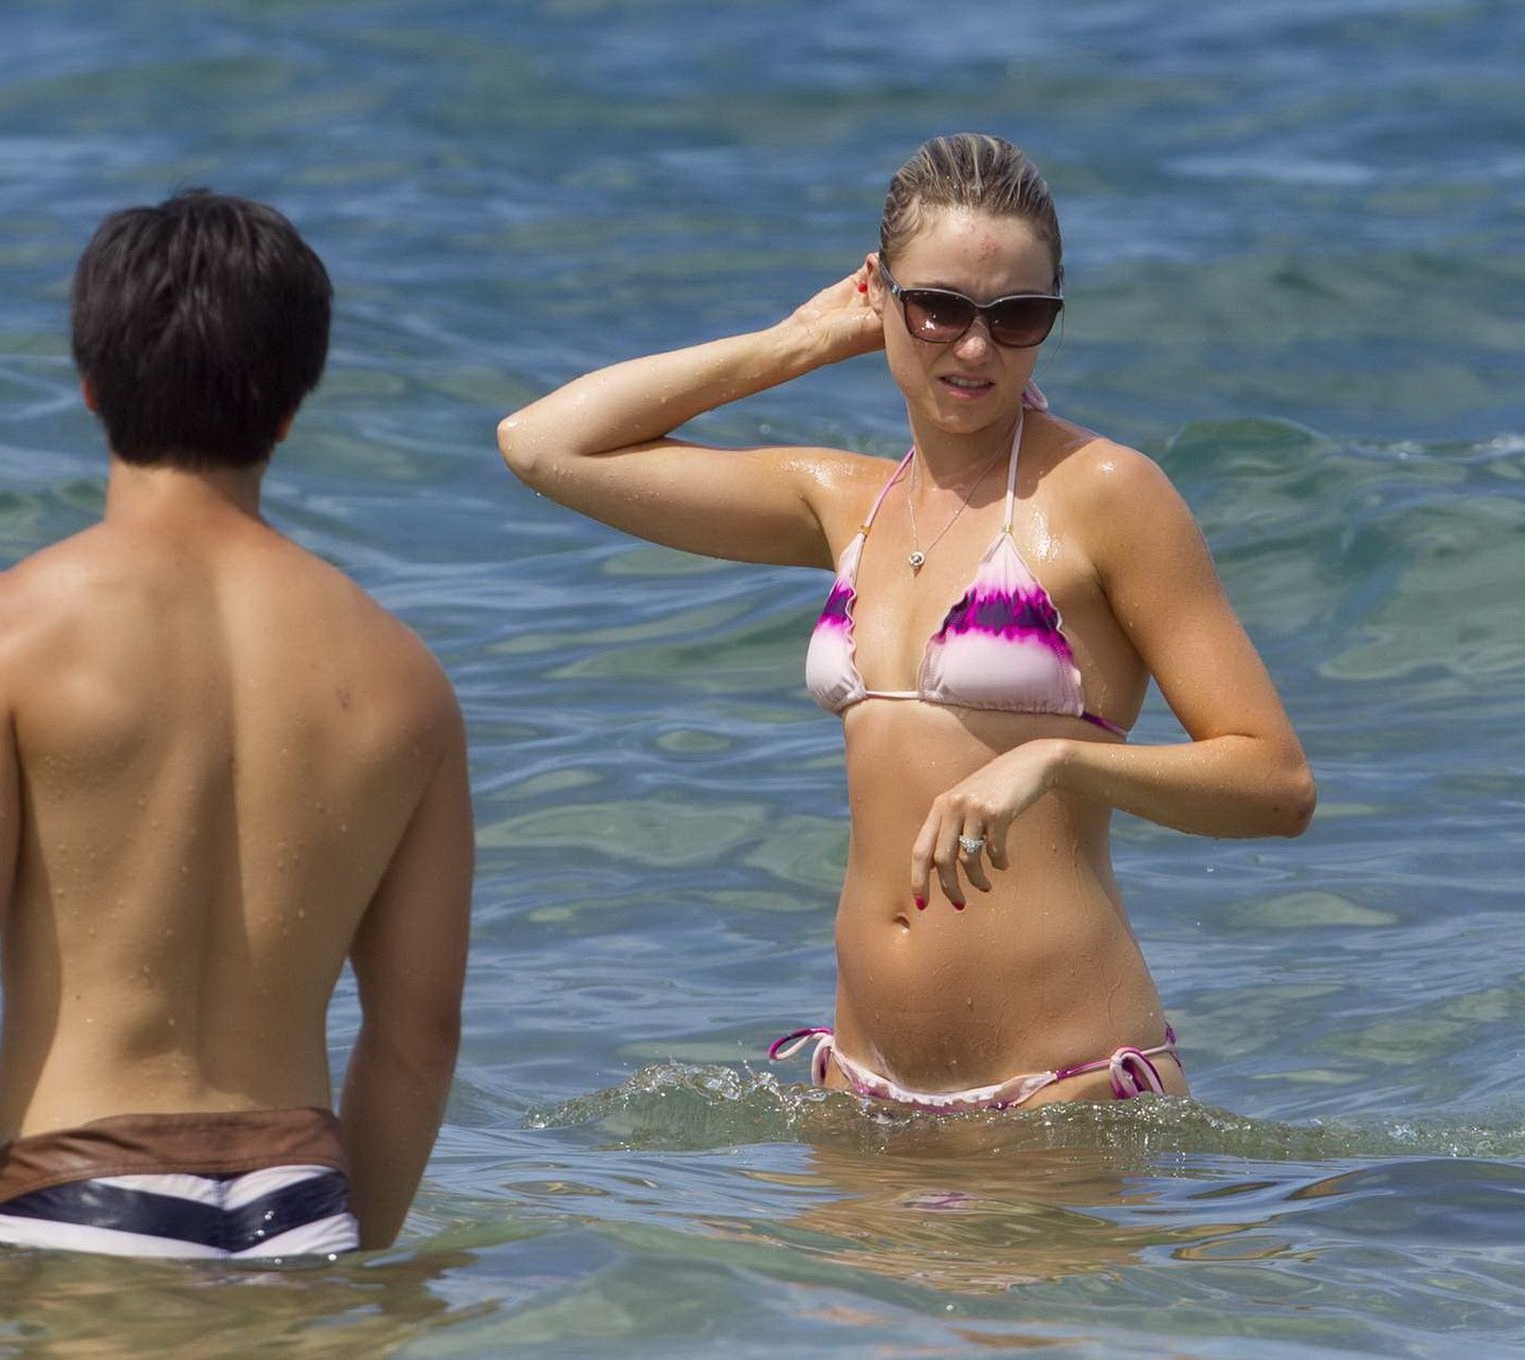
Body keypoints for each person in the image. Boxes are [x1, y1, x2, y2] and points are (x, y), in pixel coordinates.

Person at [498, 133, 1312, 1113]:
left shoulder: (1103, 494)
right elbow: (543, 445)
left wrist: (1058, 761)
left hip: (1061, 1098)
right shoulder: (846, 504)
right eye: (938, 309)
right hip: (859, 1096)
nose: (976, 348)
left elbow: (1275, 782)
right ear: (877, 292)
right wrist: (795, 341)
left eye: (1018, 317)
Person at [0, 190, 472, 1258]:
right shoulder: (402, 675)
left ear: (92, 387)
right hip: (302, 1204)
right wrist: (347, 1249)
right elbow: (419, 1032)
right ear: (294, 404)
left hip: (85, 1199)